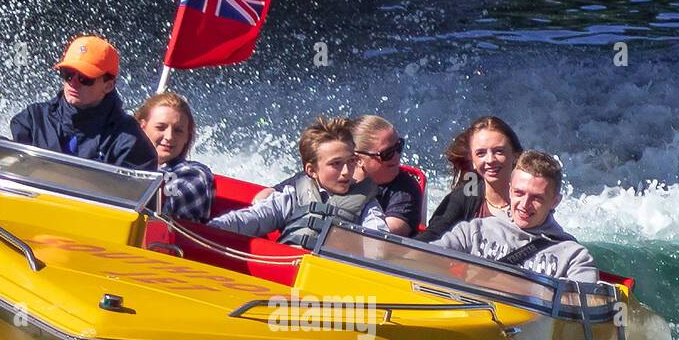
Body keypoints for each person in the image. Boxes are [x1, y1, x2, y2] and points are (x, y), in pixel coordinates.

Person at [209, 116, 387, 247]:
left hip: (334, 278)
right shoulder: (293, 195)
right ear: (312, 170)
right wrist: (213, 228)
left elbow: (378, 241)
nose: (347, 172)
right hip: (288, 270)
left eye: (350, 161)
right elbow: (254, 218)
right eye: (336, 164)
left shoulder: (367, 205)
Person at [430, 150, 598, 283]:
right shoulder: (474, 231)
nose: (524, 204)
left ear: (555, 202)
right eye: (519, 193)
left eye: (537, 198)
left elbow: (587, 309)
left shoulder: (573, 257)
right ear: (509, 190)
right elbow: (426, 260)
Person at [251, 114, 422, 236]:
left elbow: (388, 233)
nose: (398, 157)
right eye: (387, 153)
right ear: (358, 158)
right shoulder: (327, 177)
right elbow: (265, 195)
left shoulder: (405, 189)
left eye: (399, 146)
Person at [10, 35, 158, 170]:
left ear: (109, 85)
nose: (73, 82)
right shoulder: (33, 119)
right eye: (68, 74)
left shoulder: (129, 140)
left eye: (85, 78)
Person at [417, 116, 522, 243]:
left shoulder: (531, 199)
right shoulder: (466, 195)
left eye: (499, 151)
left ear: (515, 155)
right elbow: (432, 236)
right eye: (481, 153)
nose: (490, 160)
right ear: (472, 161)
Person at [135, 92, 215, 221]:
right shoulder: (123, 161)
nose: (169, 137)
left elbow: (164, 207)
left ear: (187, 137)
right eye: (161, 127)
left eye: (178, 131)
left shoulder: (194, 175)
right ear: (141, 127)